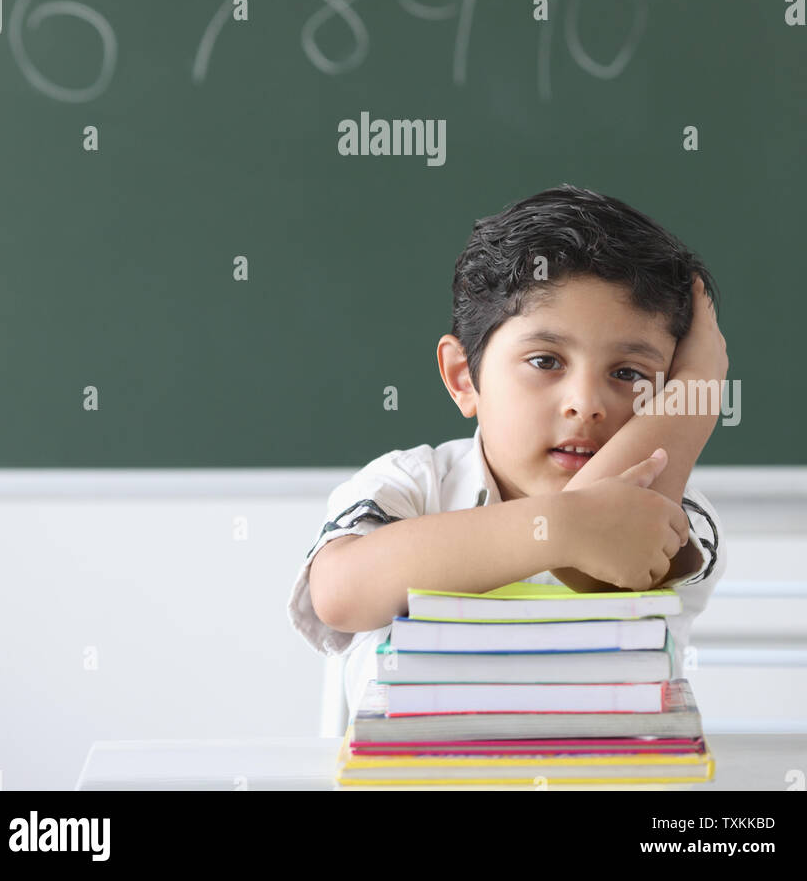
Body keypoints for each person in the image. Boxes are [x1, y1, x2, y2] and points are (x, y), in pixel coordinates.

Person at [288, 183, 728, 719]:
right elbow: (339, 593)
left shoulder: (672, 509)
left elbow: (592, 572)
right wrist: (563, 526)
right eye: (546, 361)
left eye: (629, 373)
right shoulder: (410, 485)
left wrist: (699, 386)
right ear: (463, 377)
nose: (585, 404)